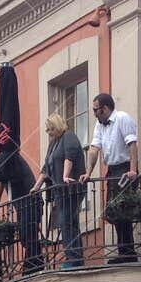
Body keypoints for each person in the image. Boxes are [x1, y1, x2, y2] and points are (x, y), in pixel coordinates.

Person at [84, 91, 140, 263]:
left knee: (122, 211)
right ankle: (124, 251)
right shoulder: (100, 125)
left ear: (105, 108)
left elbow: (132, 145)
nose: (94, 113)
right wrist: (88, 173)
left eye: (96, 110)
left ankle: (127, 253)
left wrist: (133, 170)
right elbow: (94, 149)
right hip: (112, 171)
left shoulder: (122, 118)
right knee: (113, 212)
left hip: (124, 169)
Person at [34, 113, 85, 270]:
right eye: (47, 130)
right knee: (69, 222)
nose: (49, 133)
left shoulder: (68, 136)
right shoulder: (53, 143)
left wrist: (65, 176)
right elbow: (46, 168)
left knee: (66, 221)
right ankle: (75, 257)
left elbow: (69, 157)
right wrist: (36, 187)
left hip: (71, 188)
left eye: (50, 129)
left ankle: (74, 258)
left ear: (57, 126)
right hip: (60, 191)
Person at [0, 140, 44, 274]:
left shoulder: (10, 160)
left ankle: (34, 265)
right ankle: (33, 265)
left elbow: (0, 182)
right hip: (25, 204)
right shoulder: (8, 162)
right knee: (27, 235)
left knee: (27, 234)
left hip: (30, 202)